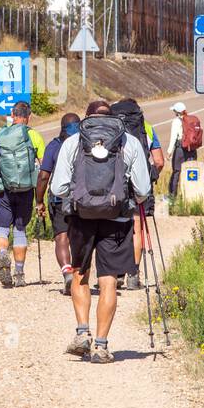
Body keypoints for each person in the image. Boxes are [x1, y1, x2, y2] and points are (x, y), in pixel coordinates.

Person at [50, 98, 152, 364]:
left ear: (87, 118)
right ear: (115, 118)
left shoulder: (74, 142)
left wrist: (79, 196)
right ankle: (101, 346)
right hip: (116, 221)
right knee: (108, 281)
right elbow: (143, 191)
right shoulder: (129, 142)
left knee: (80, 274)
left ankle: (82, 333)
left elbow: (58, 188)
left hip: (81, 219)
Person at [0, 100, 45, 288]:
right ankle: (19, 274)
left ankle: (2, 255)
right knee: (20, 230)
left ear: (12, 115)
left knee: (1, 229)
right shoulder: (34, 136)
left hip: (4, 190)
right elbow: (44, 168)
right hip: (25, 191)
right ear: (28, 116)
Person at [109, 98, 162, 291]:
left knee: (113, 226)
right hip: (137, 183)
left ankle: (116, 273)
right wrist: (150, 177)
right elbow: (159, 160)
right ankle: (133, 274)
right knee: (137, 227)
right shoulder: (146, 127)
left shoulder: (110, 124)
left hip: (113, 183)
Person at [35, 112, 80, 295]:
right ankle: (79, 275)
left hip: (58, 197)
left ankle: (67, 271)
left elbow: (44, 176)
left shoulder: (54, 145)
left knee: (61, 237)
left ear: (62, 128)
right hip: (82, 197)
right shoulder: (85, 142)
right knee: (79, 236)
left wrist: (39, 201)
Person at [165, 101, 201, 199]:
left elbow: (173, 138)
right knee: (191, 171)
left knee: (177, 171)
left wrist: (169, 152)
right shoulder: (191, 121)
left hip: (180, 149)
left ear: (177, 112)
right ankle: (192, 195)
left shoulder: (176, 121)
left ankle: (172, 196)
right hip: (192, 149)